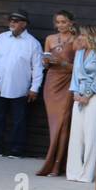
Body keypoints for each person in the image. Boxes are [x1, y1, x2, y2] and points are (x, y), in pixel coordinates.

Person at [0, 10, 43, 157]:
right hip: (0, 85)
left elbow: (37, 68)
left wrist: (34, 88)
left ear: (24, 24)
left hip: (21, 88)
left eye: (16, 21)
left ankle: (16, 150)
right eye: (11, 20)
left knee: (19, 121)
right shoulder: (1, 38)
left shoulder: (33, 43)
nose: (12, 23)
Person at [36, 10, 78, 176]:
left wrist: (63, 63)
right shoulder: (49, 39)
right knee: (54, 123)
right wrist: (46, 62)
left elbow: (79, 67)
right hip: (51, 82)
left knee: (64, 123)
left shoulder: (77, 40)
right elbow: (45, 64)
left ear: (71, 23)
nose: (61, 25)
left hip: (67, 81)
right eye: (58, 22)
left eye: (64, 22)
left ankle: (57, 165)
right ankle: (51, 162)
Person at [65, 24, 96, 182]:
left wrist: (87, 95)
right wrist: (75, 93)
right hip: (78, 96)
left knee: (90, 134)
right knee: (76, 135)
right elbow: (75, 75)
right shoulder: (79, 53)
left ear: (92, 36)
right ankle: (73, 172)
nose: (79, 38)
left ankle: (87, 174)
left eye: (82, 35)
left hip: (93, 97)